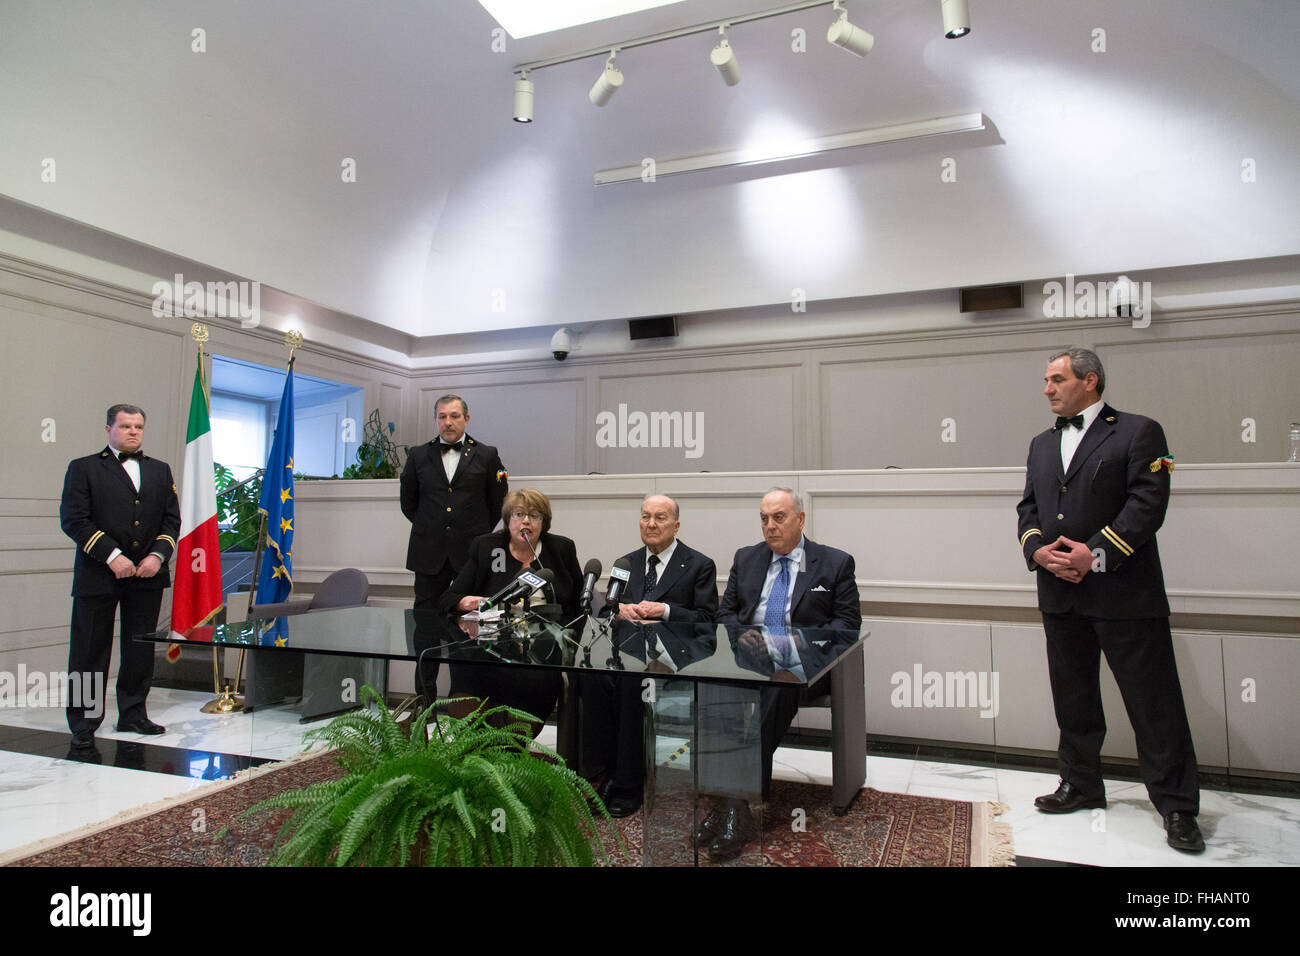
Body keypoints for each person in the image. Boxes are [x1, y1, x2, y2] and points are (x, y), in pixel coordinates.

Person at [1017, 347, 1203, 853]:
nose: (1048, 388)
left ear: (1090, 381)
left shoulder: (1140, 432)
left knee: (1153, 704)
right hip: (1059, 592)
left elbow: (1148, 504)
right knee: (1073, 697)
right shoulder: (1040, 444)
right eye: (1047, 381)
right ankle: (1080, 783)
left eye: (1057, 379)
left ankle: (1178, 806)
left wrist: (1093, 555)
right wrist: (1039, 553)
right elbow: (1029, 507)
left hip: (1124, 593)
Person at [703, 487, 861, 860]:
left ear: (800, 519)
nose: (770, 526)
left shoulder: (834, 563)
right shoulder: (747, 558)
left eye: (778, 517)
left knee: (779, 684)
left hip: (805, 665)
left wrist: (797, 641)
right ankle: (727, 800)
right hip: (751, 658)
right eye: (764, 519)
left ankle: (732, 808)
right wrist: (744, 637)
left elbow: (847, 626)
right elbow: (725, 614)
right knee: (709, 686)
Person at [583, 494, 718, 817]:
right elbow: (607, 613)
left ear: (676, 525)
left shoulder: (699, 565)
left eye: (659, 518)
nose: (651, 524)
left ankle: (628, 785)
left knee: (632, 683)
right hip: (625, 651)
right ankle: (599, 774)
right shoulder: (625, 563)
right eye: (645, 517)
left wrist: (666, 610)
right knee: (590, 678)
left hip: (675, 656)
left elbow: (708, 621)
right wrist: (618, 610)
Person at [58, 405, 180, 749]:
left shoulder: (159, 470)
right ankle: (84, 721)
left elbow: (171, 521)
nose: (133, 432)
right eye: (125, 426)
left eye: (139, 426)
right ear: (109, 428)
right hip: (99, 572)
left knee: (139, 647)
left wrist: (157, 556)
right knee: (89, 650)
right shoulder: (83, 468)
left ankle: (133, 712)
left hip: (147, 574)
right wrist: (113, 556)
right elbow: (74, 520)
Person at [438, 489, 584, 730]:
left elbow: (578, 607)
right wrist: (466, 602)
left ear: (544, 523)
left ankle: (508, 756)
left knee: (513, 734)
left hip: (539, 658)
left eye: (535, 515)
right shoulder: (486, 547)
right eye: (519, 514)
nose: (526, 521)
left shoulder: (561, 549)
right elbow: (449, 599)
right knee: (470, 713)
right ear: (508, 520)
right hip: (486, 654)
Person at [400, 394, 507, 700]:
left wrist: (476, 536)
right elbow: (409, 503)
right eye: (442, 416)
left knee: (469, 628)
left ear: (466, 419)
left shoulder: (488, 455)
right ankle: (424, 700)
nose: (448, 422)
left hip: (470, 556)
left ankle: (467, 700)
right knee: (425, 629)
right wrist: (433, 529)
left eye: (454, 416)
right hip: (427, 554)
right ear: (436, 419)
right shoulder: (419, 455)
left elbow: (497, 501)